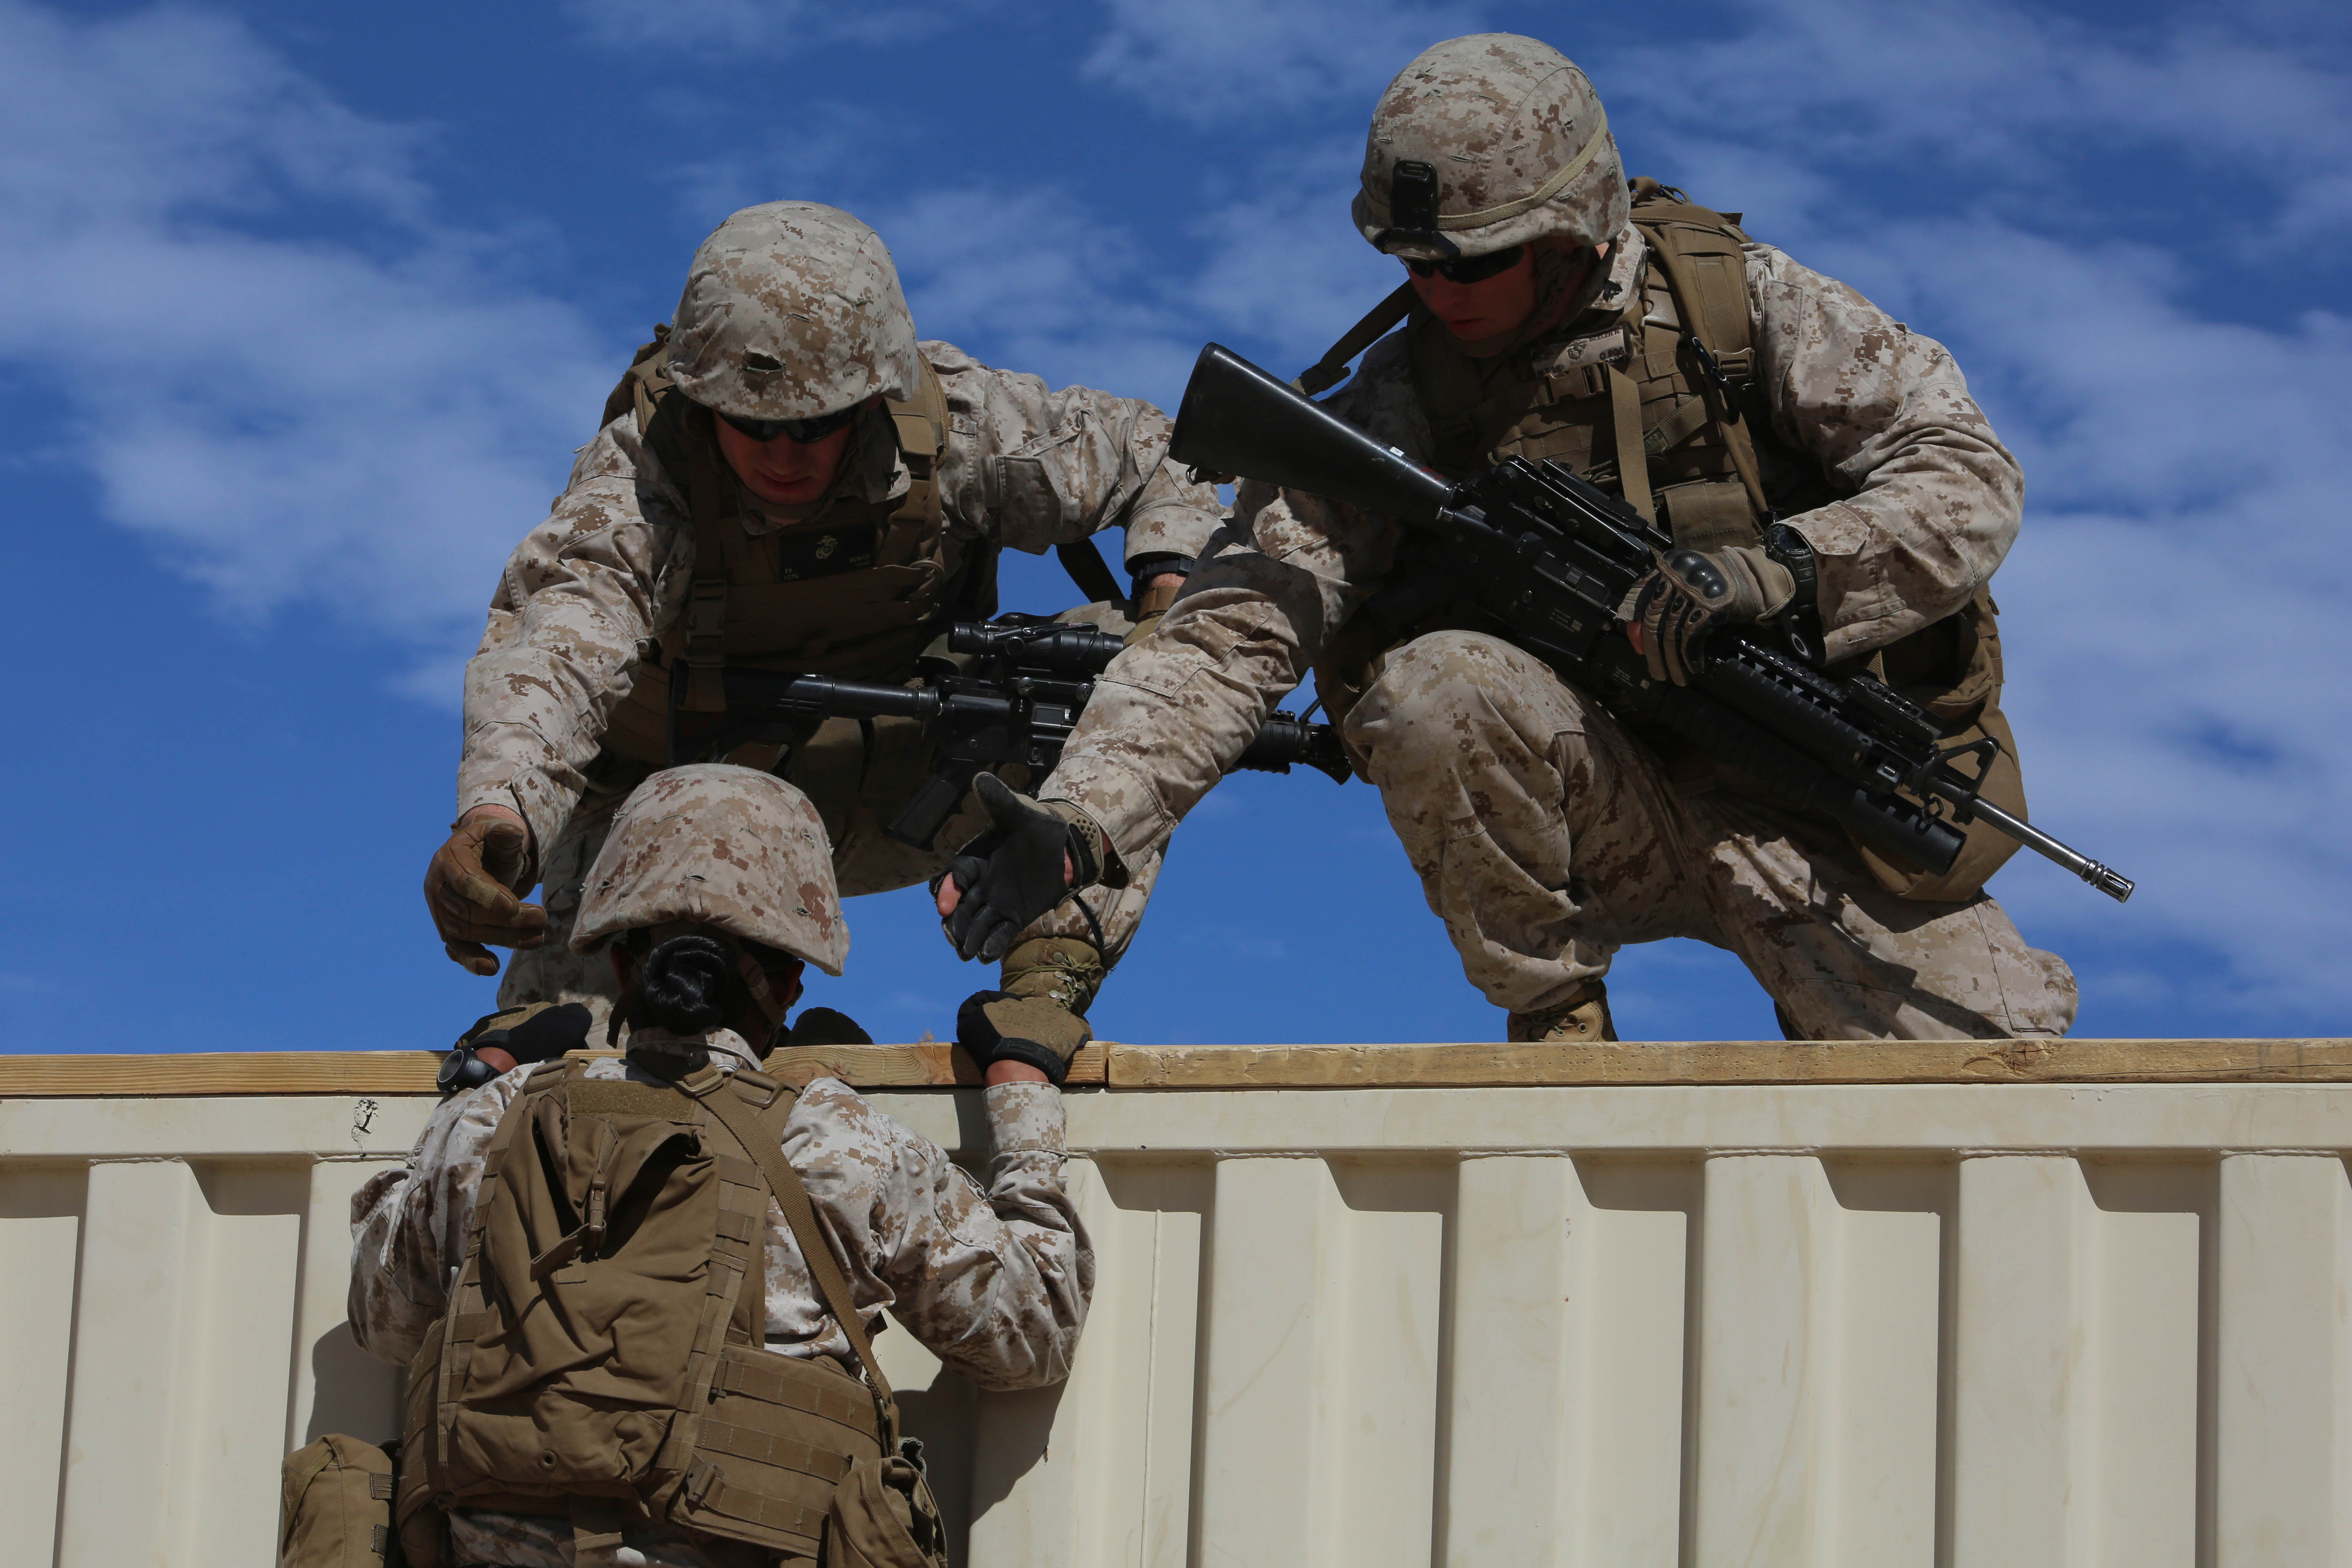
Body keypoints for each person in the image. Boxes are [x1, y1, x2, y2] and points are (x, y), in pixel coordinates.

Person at [937, 33, 2078, 1043]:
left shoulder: (1747, 310)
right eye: (1414, 266)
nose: (1440, 293)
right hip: (1600, 802)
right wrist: (1086, 818)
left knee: (1996, 1081)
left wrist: (1780, 571)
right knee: (1438, 686)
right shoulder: (1400, 405)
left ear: (1577, 226)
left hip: (1812, 806)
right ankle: (1553, 1014)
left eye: (1476, 261)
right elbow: (1232, 632)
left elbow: (1967, 476)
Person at [425, 200, 1225, 1078]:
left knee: (1126, 670)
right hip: (667, 823)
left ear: (874, 394)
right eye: (752, 425)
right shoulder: (651, 466)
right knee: (568, 1062)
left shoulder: (962, 427)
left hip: (919, 772)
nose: (782, 455)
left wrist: (1168, 587)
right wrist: (500, 811)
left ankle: (1041, 988)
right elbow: (558, 640)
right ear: (702, 399)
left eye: (814, 425)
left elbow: (1165, 455)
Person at [356, 764, 1091, 1566]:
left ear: (620, 966)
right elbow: (1030, 1334)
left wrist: (478, 1077)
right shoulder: (840, 1143)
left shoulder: (500, 1118)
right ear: (788, 979)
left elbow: (383, 1313)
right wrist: (1022, 1083)